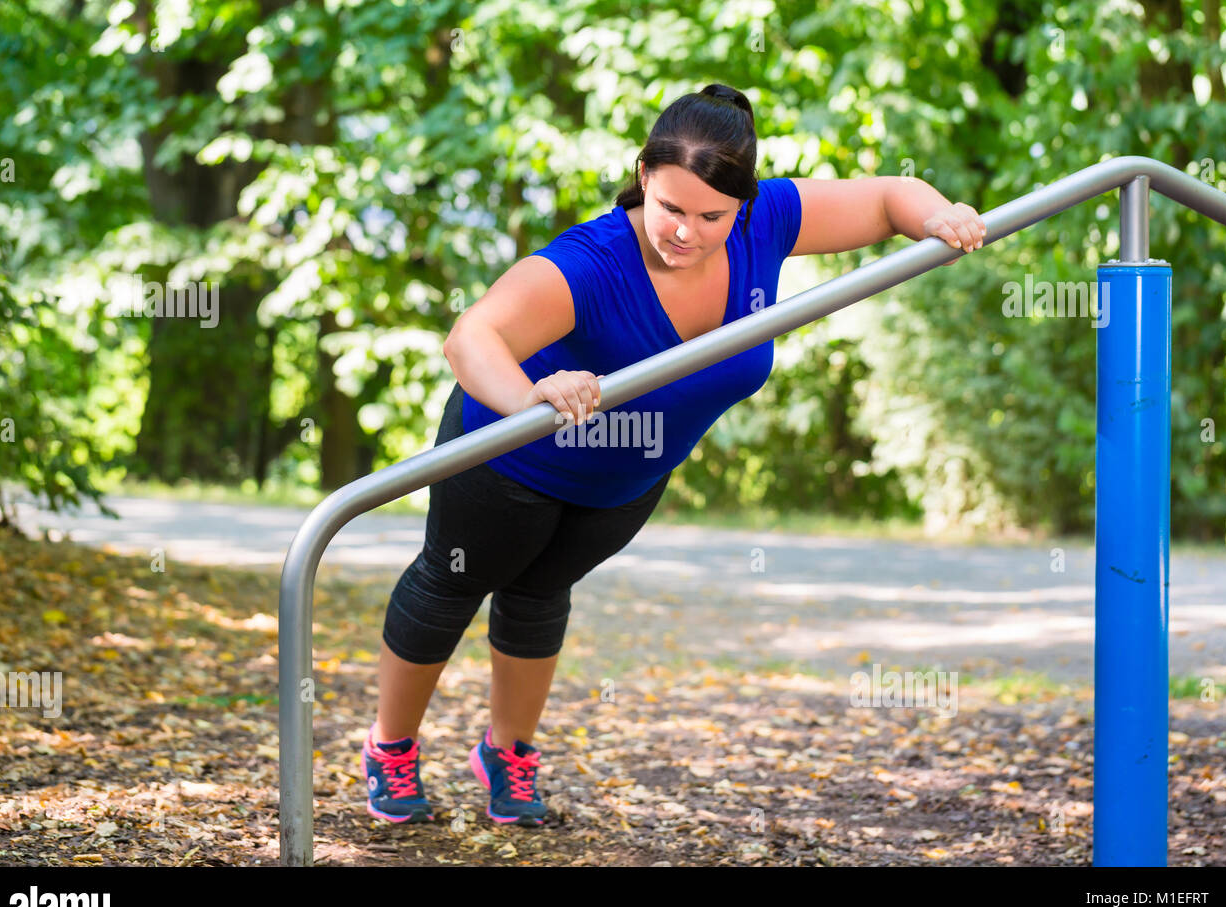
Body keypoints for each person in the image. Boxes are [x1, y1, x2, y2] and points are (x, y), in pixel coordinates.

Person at [361, 83, 987, 827]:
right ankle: (390, 749)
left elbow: (889, 198)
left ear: (743, 206)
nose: (686, 232)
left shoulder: (769, 222)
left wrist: (939, 216)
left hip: (626, 480)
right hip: (508, 465)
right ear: (644, 179)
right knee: (450, 588)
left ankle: (507, 753)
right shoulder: (592, 263)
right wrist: (531, 398)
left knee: (537, 596)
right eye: (670, 208)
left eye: (711, 216)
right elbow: (471, 338)